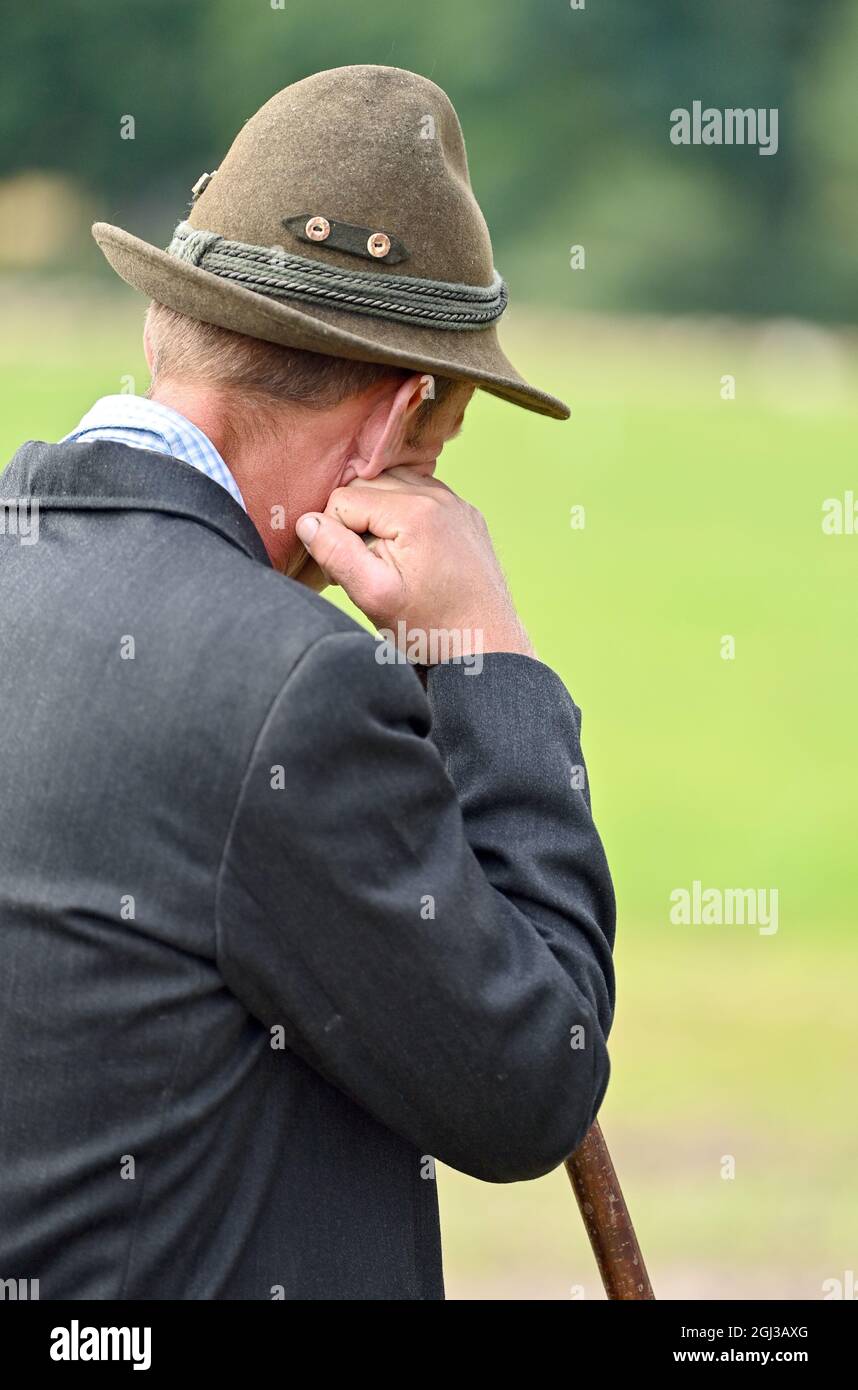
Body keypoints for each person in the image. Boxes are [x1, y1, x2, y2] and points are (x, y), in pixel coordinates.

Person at [0, 65, 615, 1300]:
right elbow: (530, 1078)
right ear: (394, 425)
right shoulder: (300, 688)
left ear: (164, 329)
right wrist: (492, 660)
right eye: (439, 449)